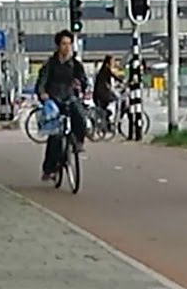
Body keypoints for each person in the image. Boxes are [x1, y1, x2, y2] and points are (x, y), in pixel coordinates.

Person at [36, 29, 89, 181]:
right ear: (58, 46)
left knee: (79, 115)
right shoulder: (50, 64)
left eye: (69, 44)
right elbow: (42, 81)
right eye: (64, 44)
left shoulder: (75, 65)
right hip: (54, 98)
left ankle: (78, 142)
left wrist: (83, 87)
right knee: (55, 136)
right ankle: (49, 169)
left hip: (69, 96)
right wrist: (43, 94)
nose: (67, 47)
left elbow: (83, 80)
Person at [93, 54, 123, 121]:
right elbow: (114, 77)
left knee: (104, 109)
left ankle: (107, 120)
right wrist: (122, 81)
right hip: (102, 94)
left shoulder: (103, 70)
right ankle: (113, 118)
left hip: (99, 94)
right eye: (112, 61)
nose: (114, 63)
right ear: (108, 63)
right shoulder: (106, 70)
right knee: (117, 99)